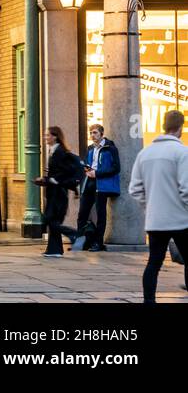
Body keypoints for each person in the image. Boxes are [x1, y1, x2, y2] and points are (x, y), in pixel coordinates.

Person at [129, 109, 188, 303]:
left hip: (155, 220)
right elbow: (186, 189)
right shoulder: (182, 152)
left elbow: (135, 189)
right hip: (181, 219)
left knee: (154, 263)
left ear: (164, 126)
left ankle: (149, 301)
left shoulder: (144, 153)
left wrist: (150, 206)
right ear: (180, 128)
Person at [36, 126, 86, 257]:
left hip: (58, 193)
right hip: (56, 191)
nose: (45, 138)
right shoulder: (54, 151)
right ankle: (55, 250)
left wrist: (51, 180)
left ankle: (74, 234)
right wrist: (47, 179)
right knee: (53, 220)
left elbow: (65, 172)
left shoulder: (60, 152)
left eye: (47, 135)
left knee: (50, 219)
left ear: (55, 136)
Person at [77, 124, 120, 252]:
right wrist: (86, 170)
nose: (92, 135)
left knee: (101, 214)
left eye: (95, 133)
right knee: (82, 213)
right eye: (90, 133)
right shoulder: (90, 148)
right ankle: (81, 243)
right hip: (89, 181)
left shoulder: (110, 148)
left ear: (102, 134)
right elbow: (88, 163)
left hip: (102, 184)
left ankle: (98, 243)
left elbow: (116, 168)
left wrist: (97, 173)